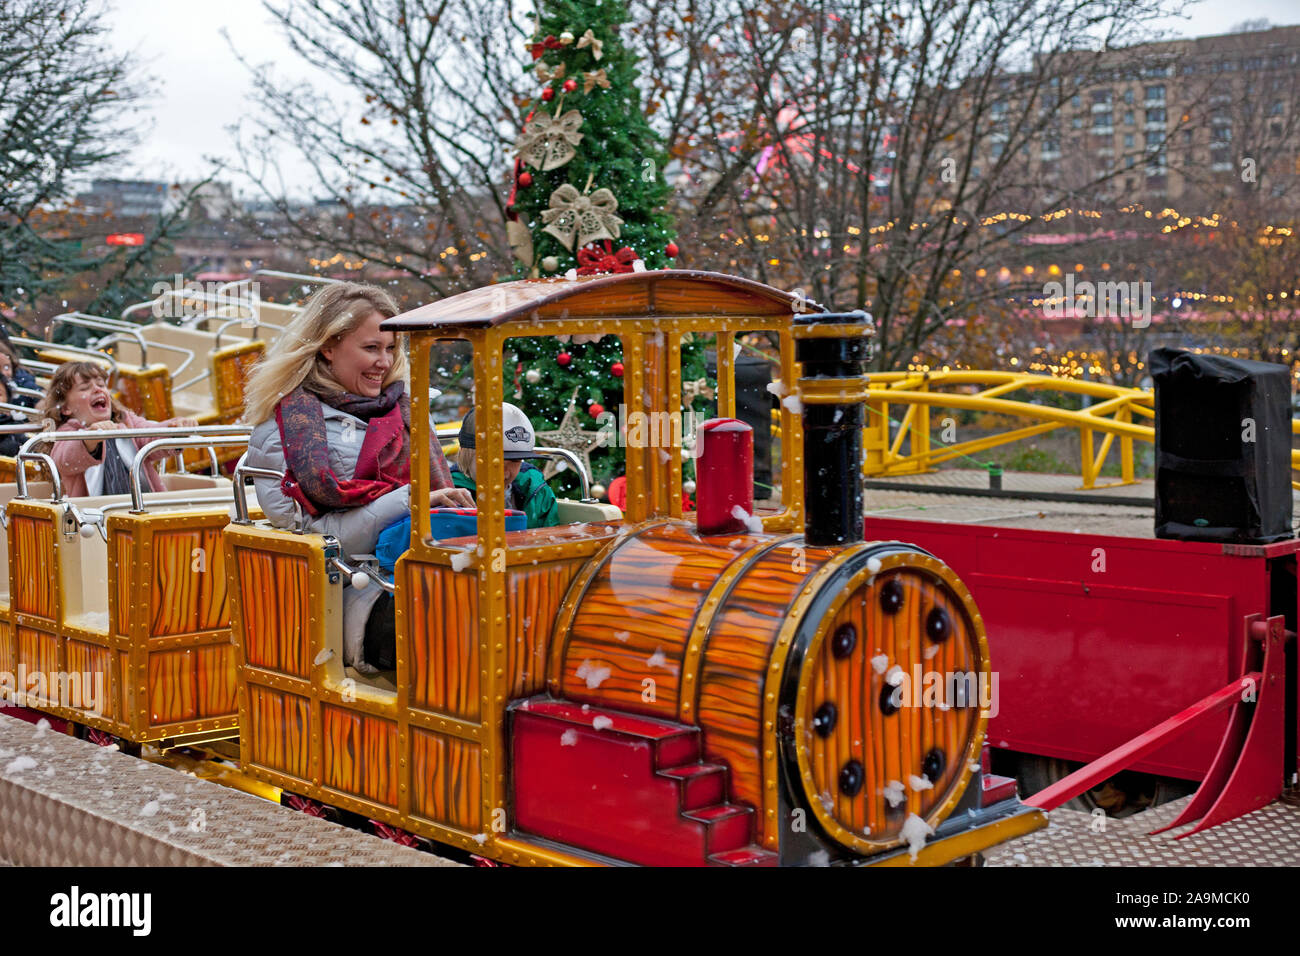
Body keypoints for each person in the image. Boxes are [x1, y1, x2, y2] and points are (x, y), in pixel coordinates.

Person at [242, 282, 471, 674]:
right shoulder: (286, 428)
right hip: (352, 589)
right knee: (457, 622)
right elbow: (317, 544)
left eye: (390, 349)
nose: (384, 361)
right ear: (328, 347)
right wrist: (413, 500)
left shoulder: (406, 411)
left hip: (424, 567)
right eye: (370, 348)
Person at [36, 361, 198, 496]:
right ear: (65, 408)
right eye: (85, 388)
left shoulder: (127, 422)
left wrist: (175, 429)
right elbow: (64, 459)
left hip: (143, 507)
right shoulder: (66, 434)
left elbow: (150, 434)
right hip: (95, 519)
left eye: (101, 384)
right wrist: (89, 440)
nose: (98, 389)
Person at [450, 403, 559, 529]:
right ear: (468, 455)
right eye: (496, 462)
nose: (506, 473)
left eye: (516, 461)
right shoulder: (448, 494)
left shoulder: (536, 489)